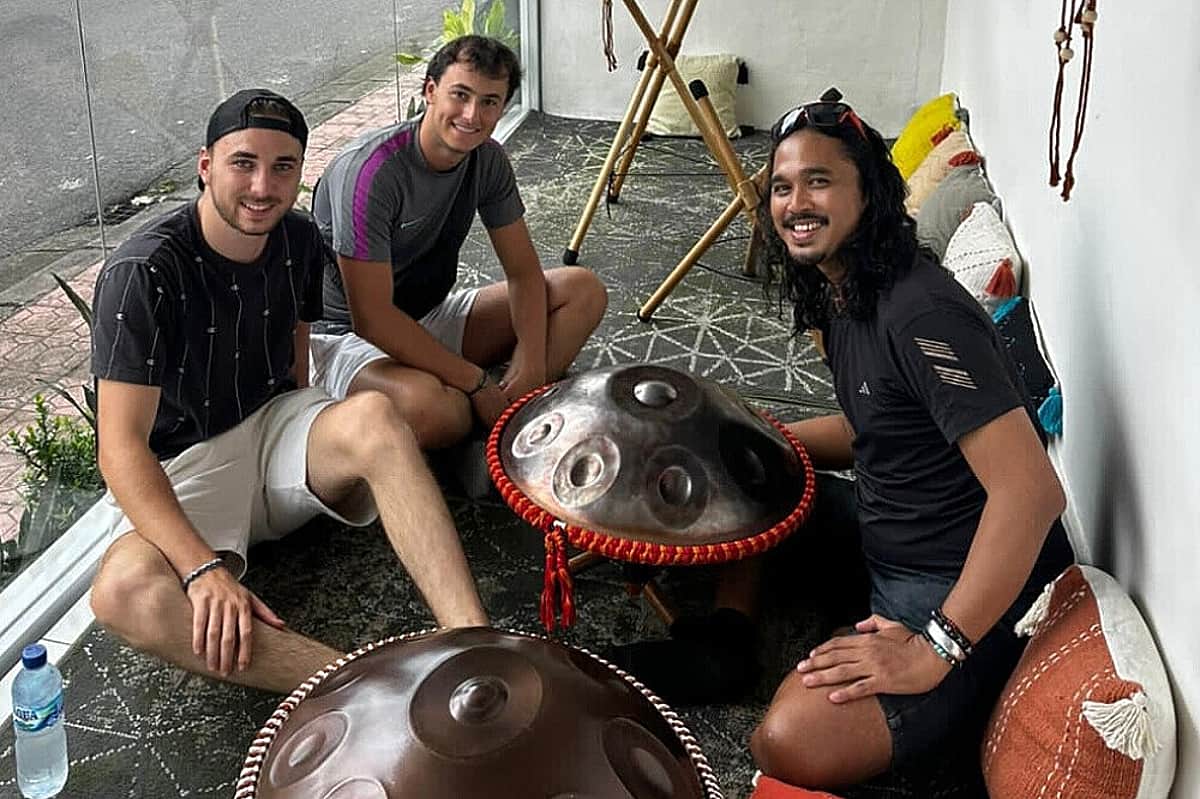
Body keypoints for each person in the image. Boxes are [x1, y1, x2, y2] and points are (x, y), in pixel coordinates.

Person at [611, 90, 1075, 789]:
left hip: (963, 587)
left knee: (787, 739)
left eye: (820, 181)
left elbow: (1032, 491)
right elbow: (874, 426)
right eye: (783, 186)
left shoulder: (922, 312)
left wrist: (934, 645)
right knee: (744, 471)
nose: (796, 202)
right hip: (885, 529)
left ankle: (945, 713)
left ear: (871, 194)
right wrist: (743, 439)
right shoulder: (844, 290)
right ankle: (728, 643)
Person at [87, 89, 489, 695]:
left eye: (283, 167)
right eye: (243, 163)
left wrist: (323, 443)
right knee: (123, 592)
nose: (262, 186)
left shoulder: (299, 238)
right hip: (187, 465)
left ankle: (477, 646)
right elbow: (119, 449)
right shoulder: (143, 273)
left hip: (274, 427)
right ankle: (364, 687)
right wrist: (200, 569)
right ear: (205, 166)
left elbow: (298, 363)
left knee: (376, 417)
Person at [309, 35, 607, 452]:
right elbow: (371, 319)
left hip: (427, 313)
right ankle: (493, 419)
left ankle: (502, 414)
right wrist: (475, 381)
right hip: (347, 339)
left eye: (489, 102)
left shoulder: (488, 160)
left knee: (583, 291)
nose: (472, 115)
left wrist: (532, 359)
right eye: (460, 95)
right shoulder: (370, 173)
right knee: (433, 410)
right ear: (430, 91)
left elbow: (523, 273)